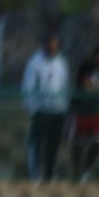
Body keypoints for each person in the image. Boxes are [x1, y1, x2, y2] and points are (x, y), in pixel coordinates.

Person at [21, 34, 71, 182]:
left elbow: (65, 84)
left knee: (53, 144)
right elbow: (27, 86)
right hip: (41, 110)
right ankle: (35, 174)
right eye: (50, 46)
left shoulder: (62, 62)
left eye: (55, 46)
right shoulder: (35, 62)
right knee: (37, 142)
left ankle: (49, 173)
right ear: (45, 46)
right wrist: (31, 108)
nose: (52, 49)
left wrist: (65, 106)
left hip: (58, 110)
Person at [69, 46, 99, 181]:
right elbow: (86, 85)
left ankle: (86, 171)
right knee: (78, 144)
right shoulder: (85, 67)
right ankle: (77, 174)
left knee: (98, 142)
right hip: (79, 109)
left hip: (95, 110)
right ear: (94, 58)